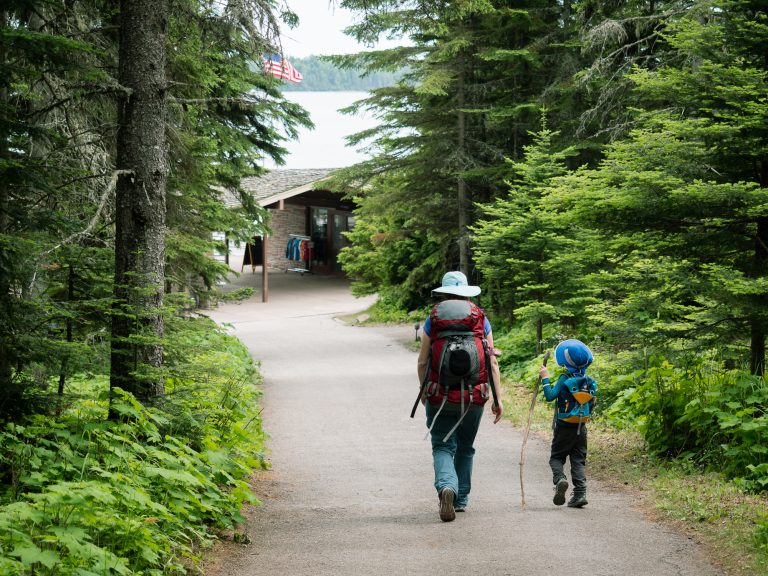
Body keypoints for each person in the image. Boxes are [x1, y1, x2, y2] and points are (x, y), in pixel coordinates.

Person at [416, 271, 502, 522]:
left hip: (439, 393)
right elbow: (492, 363)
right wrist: (498, 400)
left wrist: (424, 390)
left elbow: (422, 361)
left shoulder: (434, 318)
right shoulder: (480, 319)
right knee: (466, 447)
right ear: (466, 291)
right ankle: (461, 498)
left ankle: (447, 487)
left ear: (444, 291)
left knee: (443, 445)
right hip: (475, 395)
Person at [539, 339, 597, 508]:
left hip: (564, 425)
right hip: (581, 426)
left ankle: (560, 480)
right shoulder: (588, 381)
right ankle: (580, 494)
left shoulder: (565, 378)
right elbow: (591, 404)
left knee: (556, 457)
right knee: (578, 459)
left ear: (565, 361)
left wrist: (545, 378)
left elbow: (550, 396)